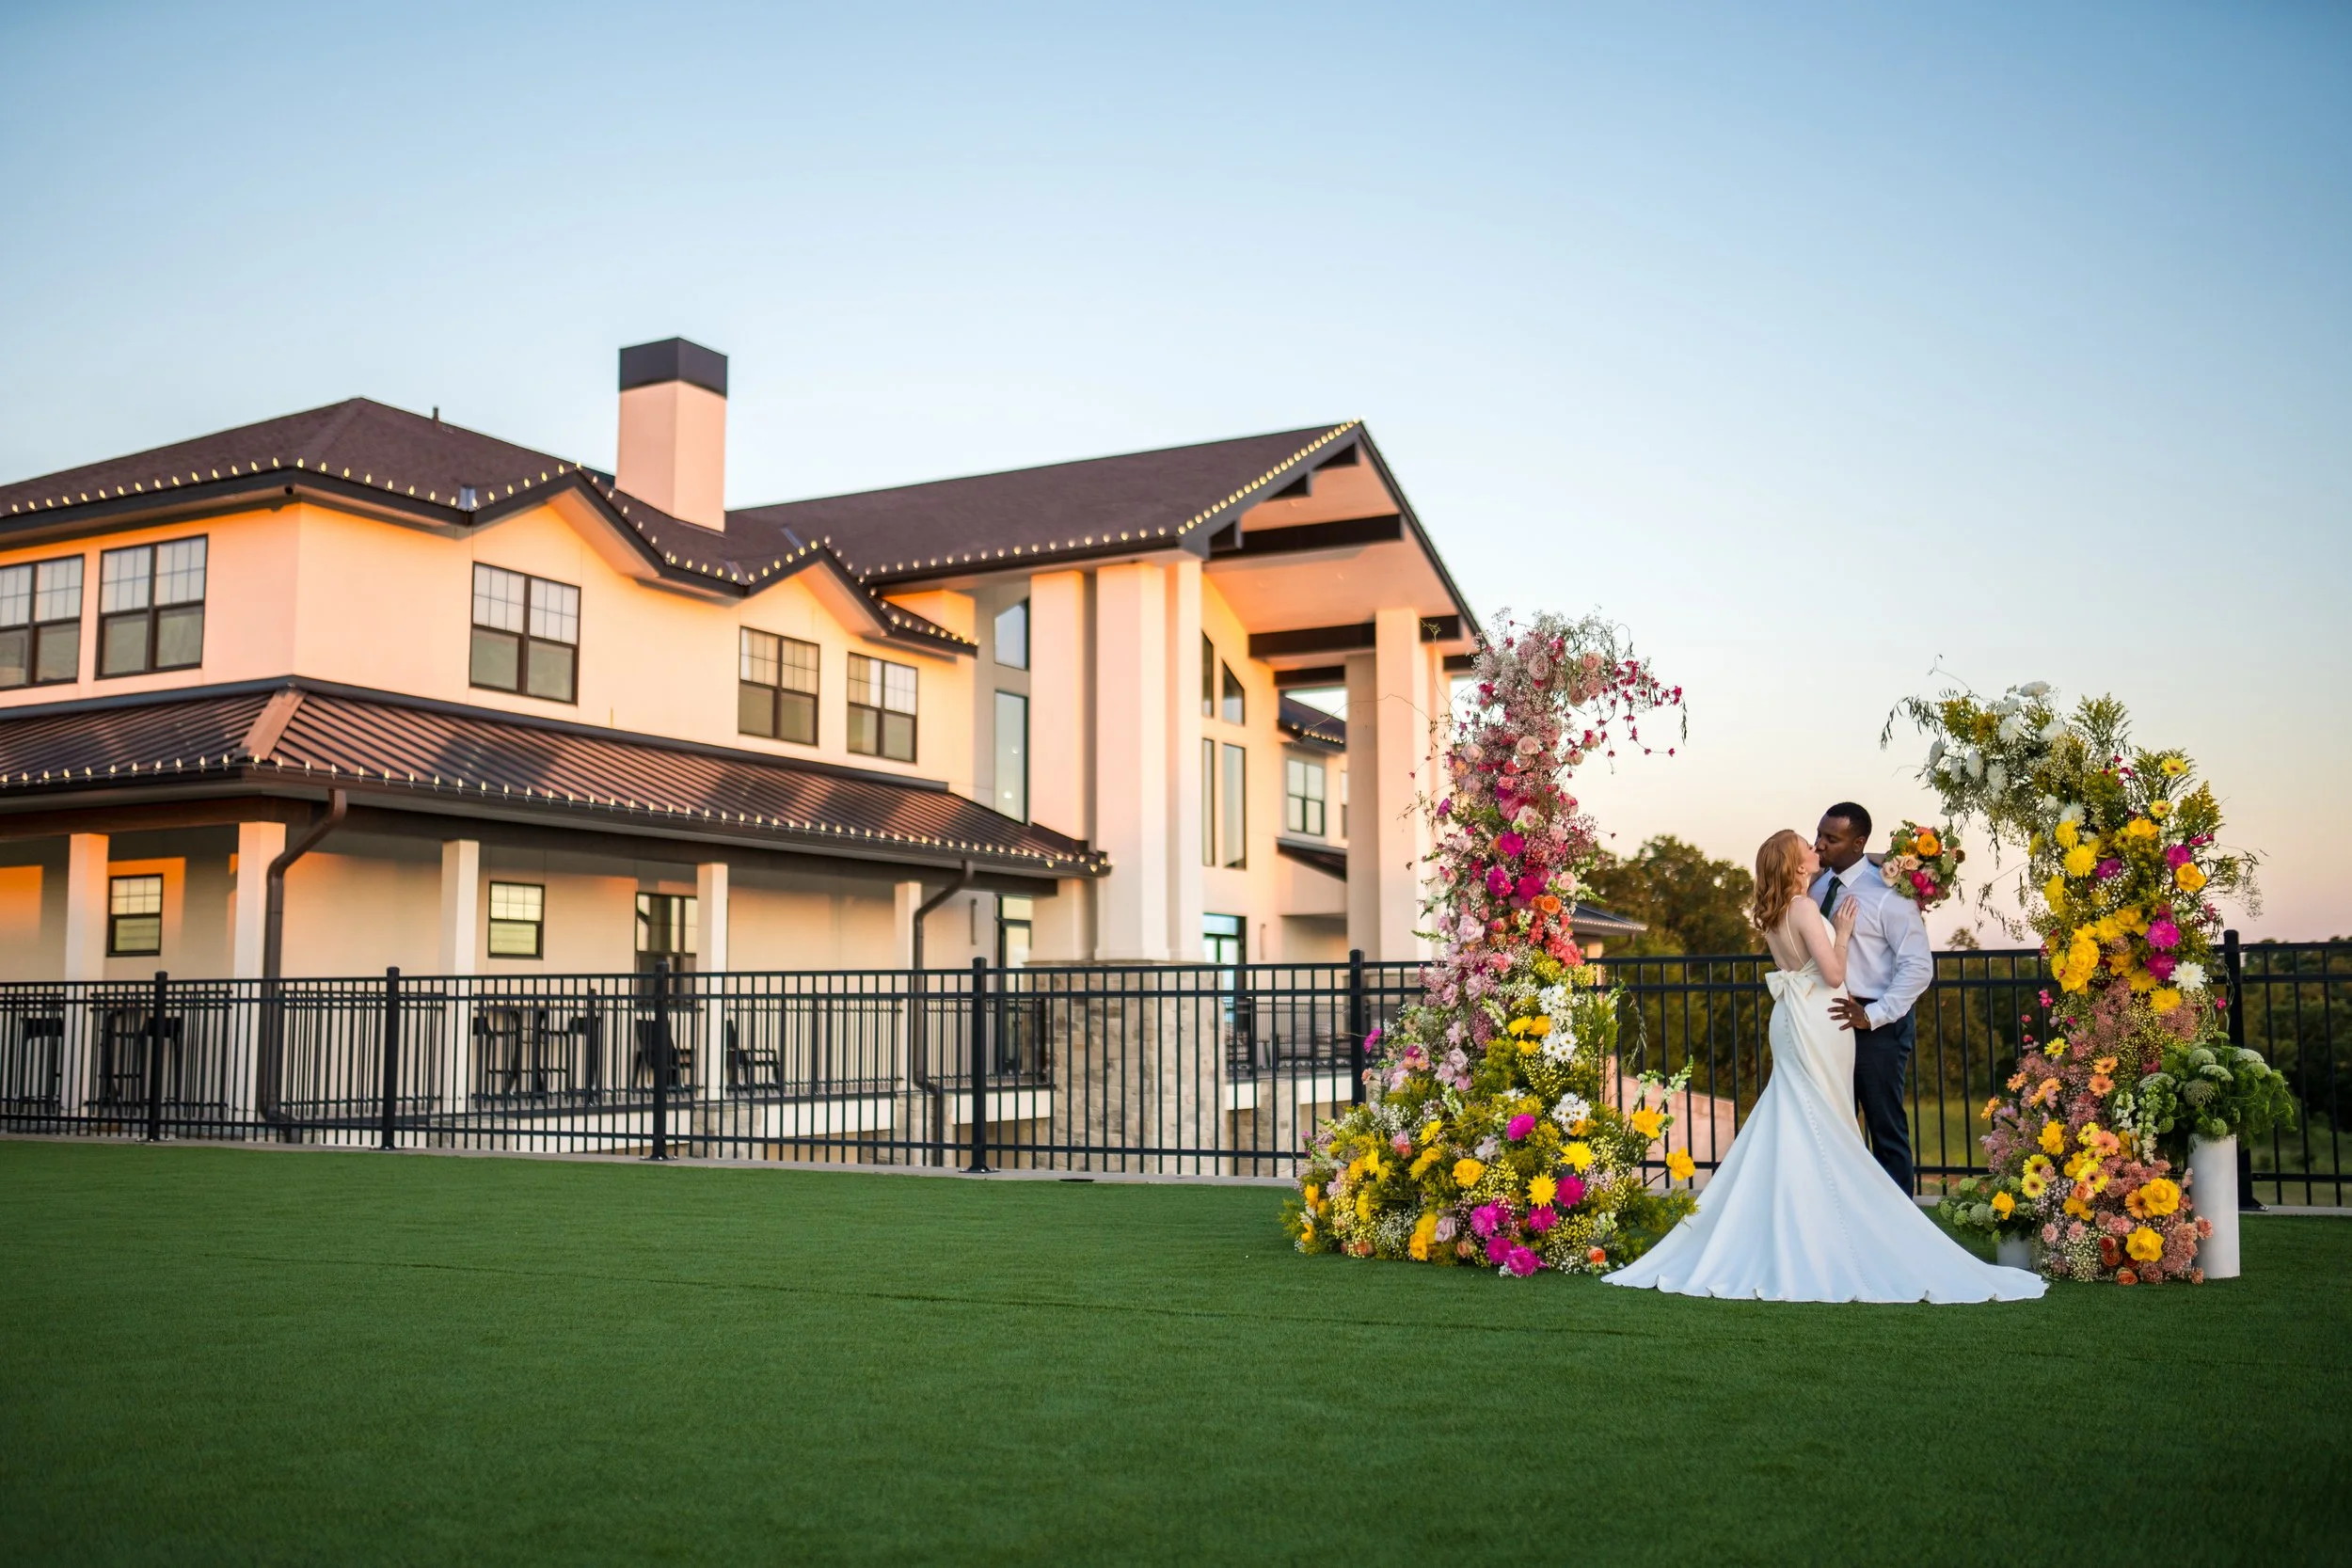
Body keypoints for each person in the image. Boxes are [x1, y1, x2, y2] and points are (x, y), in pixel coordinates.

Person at [1604, 829, 2042, 1302]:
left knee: (1798, 1114)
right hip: (1822, 1015)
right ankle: (1830, 1226)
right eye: (1807, 848)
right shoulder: (1806, 907)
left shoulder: (1775, 910)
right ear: (1795, 866)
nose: (1816, 851)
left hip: (1795, 1016)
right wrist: (1846, 934)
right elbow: (1834, 974)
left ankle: (1802, 1219)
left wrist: (1888, 861)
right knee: (1825, 1117)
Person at [1811, 802, 1932, 1192]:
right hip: (1828, 1022)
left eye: (1832, 838)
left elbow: (1918, 967)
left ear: (1859, 842)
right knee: (1835, 1126)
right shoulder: (1815, 888)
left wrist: (1873, 1014)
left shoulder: (1887, 895)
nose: (1820, 845)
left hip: (1877, 1027)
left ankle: (1898, 1228)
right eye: (1819, 835)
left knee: (1885, 1128)